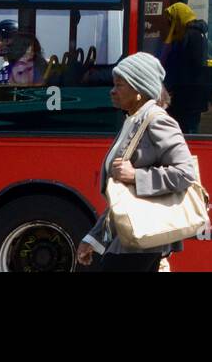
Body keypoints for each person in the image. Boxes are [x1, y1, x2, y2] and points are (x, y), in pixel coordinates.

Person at [78, 53, 198, 272]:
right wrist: (93, 238)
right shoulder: (134, 120)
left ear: (140, 91)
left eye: (119, 85)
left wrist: (135, 176)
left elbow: (185, 173)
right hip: (133, 235)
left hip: (144, 235)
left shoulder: (157, 120)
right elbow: (122, 195)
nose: (112, 91)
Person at [159, 2, 211, 135]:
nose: (170, 24)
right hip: (187, 96)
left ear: (179, 18)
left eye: (172, 19)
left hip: (188, 97)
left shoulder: (192, 36)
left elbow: (188, 66)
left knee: (186, 131)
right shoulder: (187, 34)